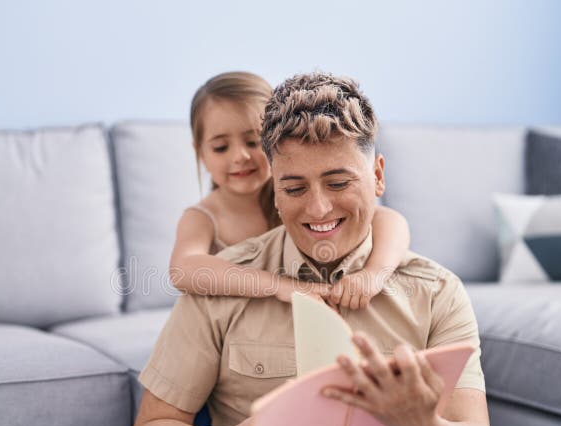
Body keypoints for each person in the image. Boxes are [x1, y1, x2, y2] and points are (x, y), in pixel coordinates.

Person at [130, 72, 561, 426]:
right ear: (276, 191)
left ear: (378, 175)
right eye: (295, 189)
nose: (319, 209)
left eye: (338, 182)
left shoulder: (432, 290)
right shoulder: (225, 280)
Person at [170, 71, 411, 309]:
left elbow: (392, 221)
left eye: (253, 142)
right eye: (221, 147)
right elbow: (182, 269)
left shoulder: (297, 201)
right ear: (199, 152)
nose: (240, 156)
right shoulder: (203, 217)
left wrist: (374, 274)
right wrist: (279, 286)